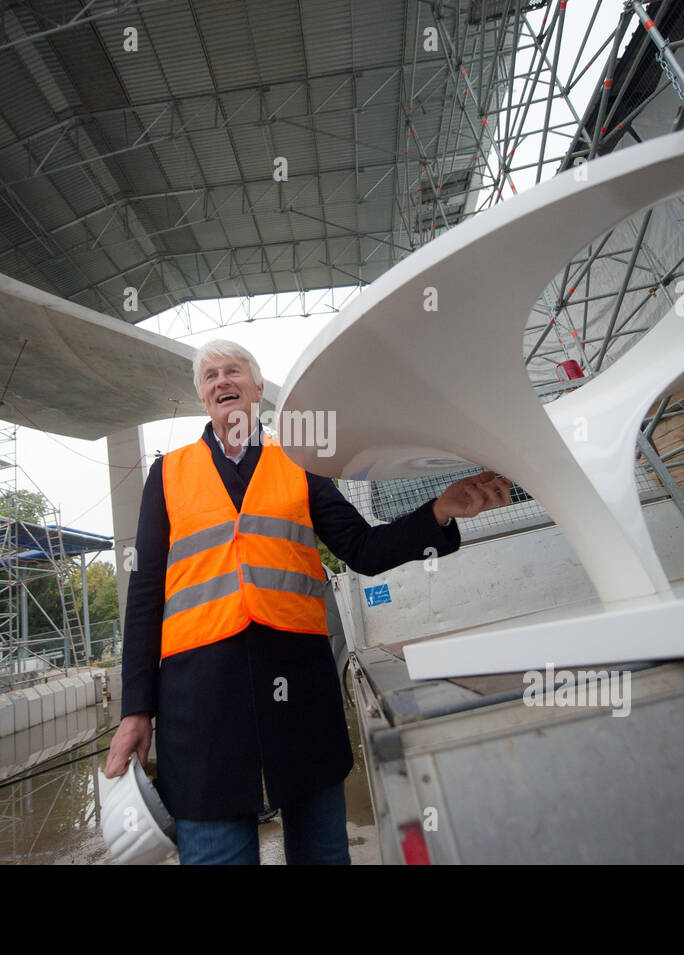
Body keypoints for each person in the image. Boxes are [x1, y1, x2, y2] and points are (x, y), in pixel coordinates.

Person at [103, 339, 510, 864]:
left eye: (233, 372)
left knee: (322, 852)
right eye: (210, 377)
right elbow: (144, 597)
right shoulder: (168, 474)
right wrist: (137, 710)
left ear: (255, 388)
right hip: (201, 708)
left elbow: (362, 549)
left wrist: (439, 512)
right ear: (204, 400)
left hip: (300, 695)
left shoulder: (300, 463)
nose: (222, 381)